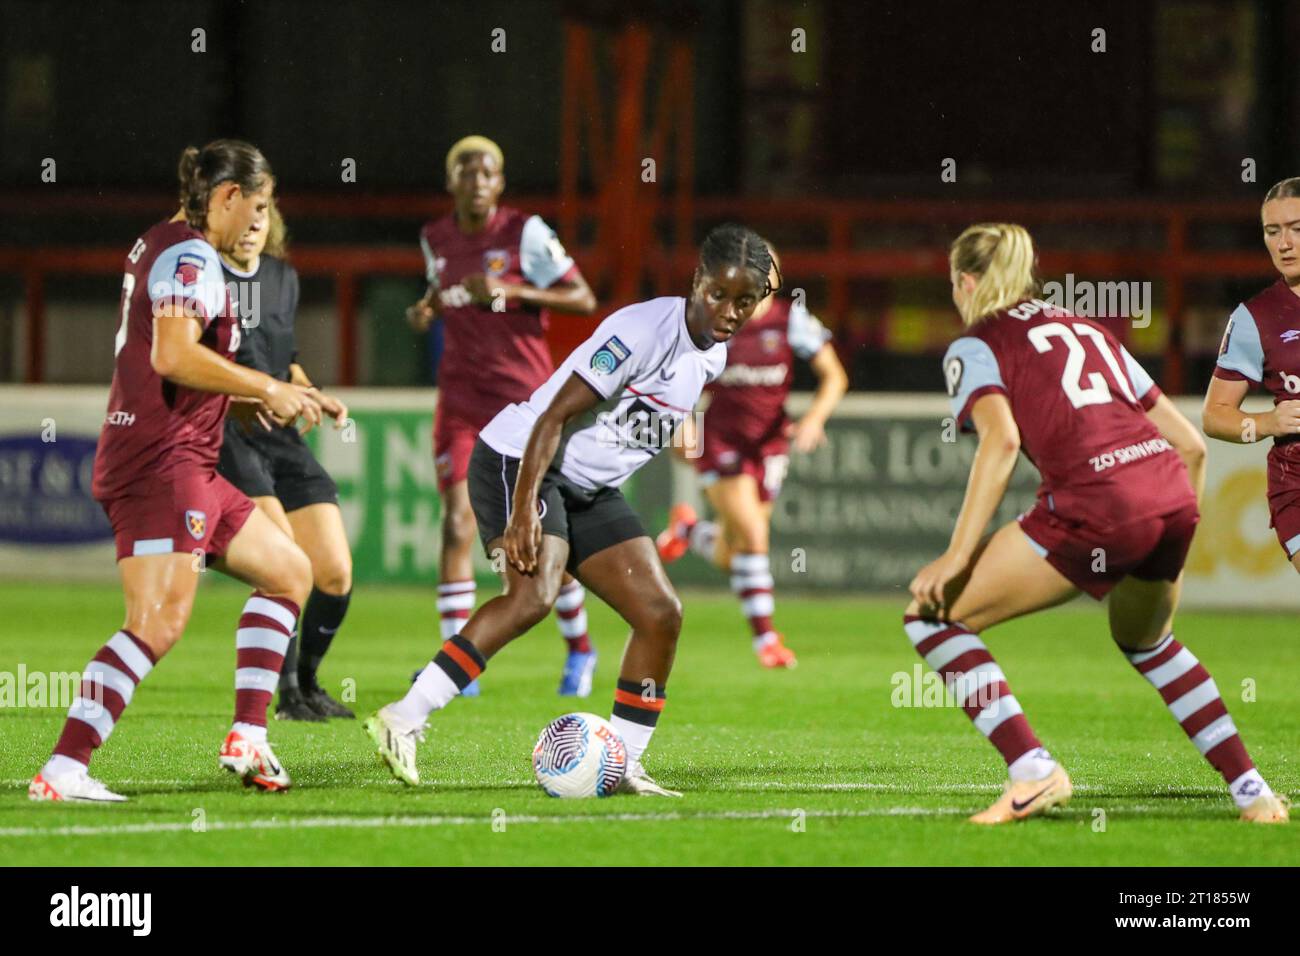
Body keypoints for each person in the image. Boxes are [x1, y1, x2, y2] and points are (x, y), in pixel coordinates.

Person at [366, 224, 776, 795]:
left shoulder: (713, 354)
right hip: (523, 458)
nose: (730, 311)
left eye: (745, 301)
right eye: (719, 294)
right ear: (696, 281)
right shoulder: (639, 331)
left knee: (661, 614)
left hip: (588, 488)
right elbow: (552, 417)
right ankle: (403, 718)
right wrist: (519, 514)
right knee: (533, 596)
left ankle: (624, 763)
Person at [905, 222, 1287, 824]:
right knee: (1150, 643)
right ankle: (1254, 795)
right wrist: (1170, 533)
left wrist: (955, 556)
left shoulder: (976, 344)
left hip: (1099, 501)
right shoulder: (1088, 327)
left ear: (968, 281)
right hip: (1169, 495)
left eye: (954, 284)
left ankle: (1033, 772)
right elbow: (1191, 445)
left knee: (931, 619)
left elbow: (1000, 442)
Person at [29, 139, 332, 802]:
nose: (258, 222)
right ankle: (63, 768)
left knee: (289, 572)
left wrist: (278, 390)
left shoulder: (160, 241)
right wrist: (263, 387)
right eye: (252, 208)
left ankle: (248, 737)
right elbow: (172, 355)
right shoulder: (192, 256)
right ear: (224, 198)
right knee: (158, 622)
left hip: (187, 462)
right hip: (160, 464)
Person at [406, 135, 599, 697]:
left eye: (487, 172)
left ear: (500, 181)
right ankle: (454, 666)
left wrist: (508, 289)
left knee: (543, 535)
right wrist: (426, 310)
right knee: (455, 521)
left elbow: (583, 297)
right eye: (466, 172)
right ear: (451, 182)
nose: (477, 181)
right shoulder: (434, 238)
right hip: (463, 400)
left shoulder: (526, 234)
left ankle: (580, 648)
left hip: (522, 403)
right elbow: (441, 294)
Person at [656, 249, 847, 668]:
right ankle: (767, 641)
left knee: (734, 551)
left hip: (770, 446)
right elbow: (677, 370)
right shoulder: (715, 319)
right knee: (755, 539)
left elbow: (835, 375)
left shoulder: (790, 320)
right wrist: (682, 421)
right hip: (720, 443)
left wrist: (814, 418)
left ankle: (688, 531)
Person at [217, 201, 355, 721]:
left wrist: (310, 393)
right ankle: (288, 695)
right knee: (285, 564)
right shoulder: (198, 274)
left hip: (280, 436)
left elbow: (285, 359)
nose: (254, 222)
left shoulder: (280, 277)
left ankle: (309, 682)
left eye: (263, 210)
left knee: (335, 573)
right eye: (243, 209)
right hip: (227, 434)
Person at [1205, 177, 1300, 576]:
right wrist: (1265, 423)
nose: (1284, 244)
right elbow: (1214, 415)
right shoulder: (1254, 318)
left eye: (1297, 229)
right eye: (1272, 231)